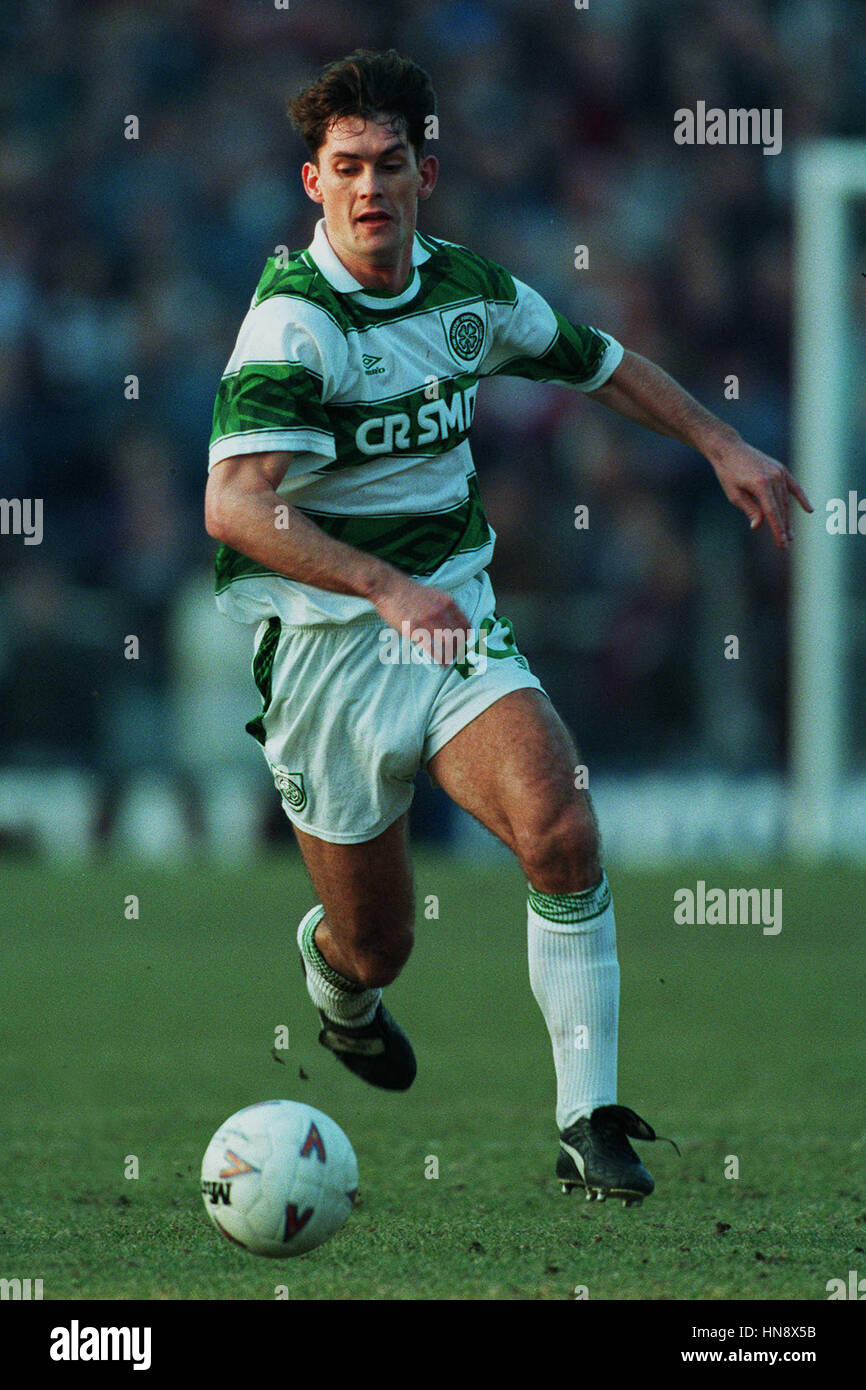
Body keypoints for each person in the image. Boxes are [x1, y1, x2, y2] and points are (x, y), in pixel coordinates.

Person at [204, 49, 812, 1205]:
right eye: (347, 168)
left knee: (561, 828)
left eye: (390, 163)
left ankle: (587, 1123)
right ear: (312, 183)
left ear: (425, 172)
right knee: (378, 944)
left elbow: (598, 363)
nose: (371, 187)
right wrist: (382, 587)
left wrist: (719, 443)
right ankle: (339, 992)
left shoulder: (466, 291)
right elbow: (233, 504)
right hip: (330, 657)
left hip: (453, 629)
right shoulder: (293, 328)